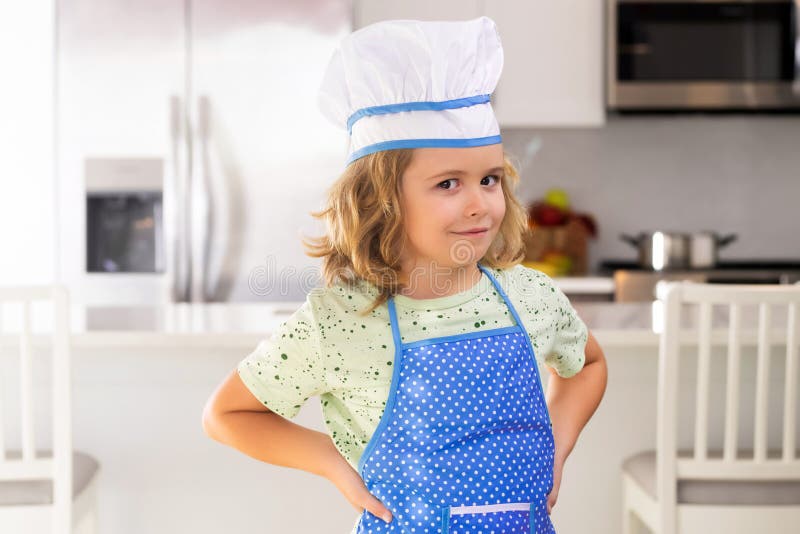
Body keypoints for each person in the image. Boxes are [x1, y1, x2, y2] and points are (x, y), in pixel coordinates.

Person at [202, 17, 607, 533]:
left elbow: (588, 363)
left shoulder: (530, 295)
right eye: (447, 184)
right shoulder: (339, 320)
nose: (480, 204)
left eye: (488, 179)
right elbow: (226, 415)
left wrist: (558, 442)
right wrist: (334, 464)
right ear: (382, 201)